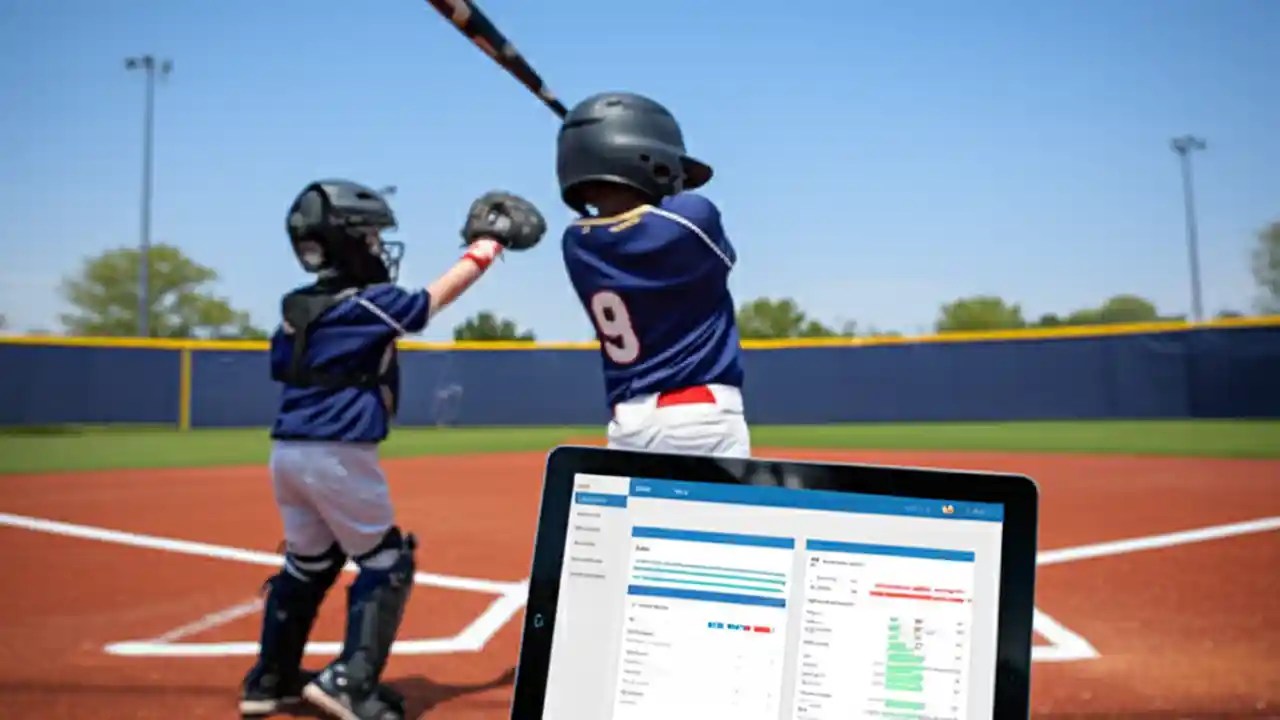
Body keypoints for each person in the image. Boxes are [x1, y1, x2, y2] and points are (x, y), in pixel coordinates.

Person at [239, 180, 545, 720]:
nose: (380, 247)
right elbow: (430, 302)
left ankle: (271, 677)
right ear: (349, 242)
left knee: (309, 563)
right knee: (388, 562)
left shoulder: (296, 308)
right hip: (340, 454)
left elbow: (283, 366)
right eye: (373, 237)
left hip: (287, 453)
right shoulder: (367, 304)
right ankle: (351, 684)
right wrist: (486, 248)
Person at [557, 92, 751, 458]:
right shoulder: (690, 220)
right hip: (699, 417)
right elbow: (677, 201)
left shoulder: (576, 242)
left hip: (629, 425)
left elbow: (632, 214)